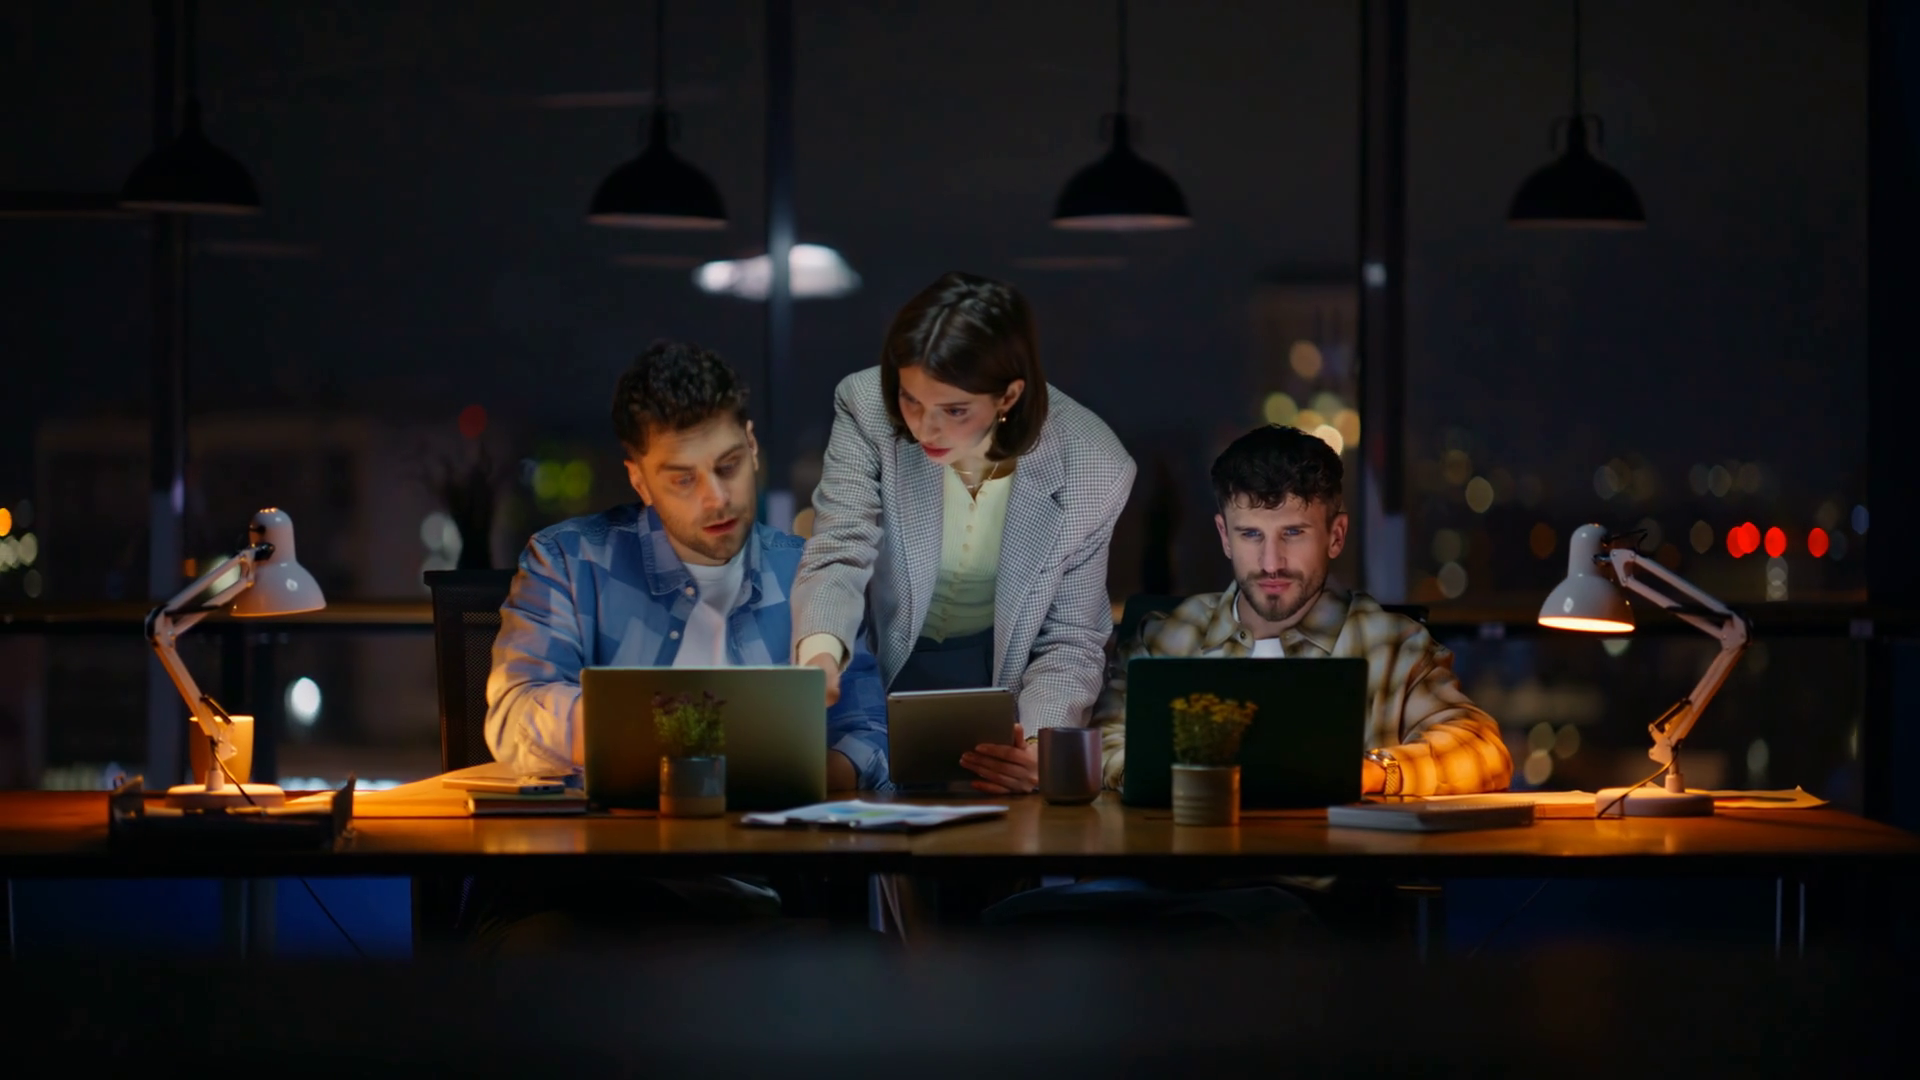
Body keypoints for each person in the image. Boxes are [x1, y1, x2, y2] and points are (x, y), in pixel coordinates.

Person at [476, 340, 887, 949]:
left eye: (727, 466)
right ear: (639, 480)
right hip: (594, 882)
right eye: (682, 479)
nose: (715, 498)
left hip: (762, 884)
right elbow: (513, 714)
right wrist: (667, 740)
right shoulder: (568, 560)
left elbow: (868, 736)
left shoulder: (811, 574)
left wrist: (777, 777)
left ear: (752, 446)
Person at [790, 271, 1137, 795]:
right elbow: (840, 547)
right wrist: (820, 656)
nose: (925, 429)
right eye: (911, 401)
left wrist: (1038, 743)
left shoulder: (1094, 462)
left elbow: (1071, 636)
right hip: (873, 667)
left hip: (1004, 687)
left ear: (1009, 395)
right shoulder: (865, 406)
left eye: (954, 411)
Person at [1094, 423, 1513, 795]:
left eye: (1293, 533)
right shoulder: (1168, 637)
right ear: (1224, 536)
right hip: (1183, 872)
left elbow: (1483, 750)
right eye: (1250, 534)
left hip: (1325, 877)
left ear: (1336, 535)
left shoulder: (1391, 645)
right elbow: (1104, 742)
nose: (1271, 562)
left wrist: (1372, 772)